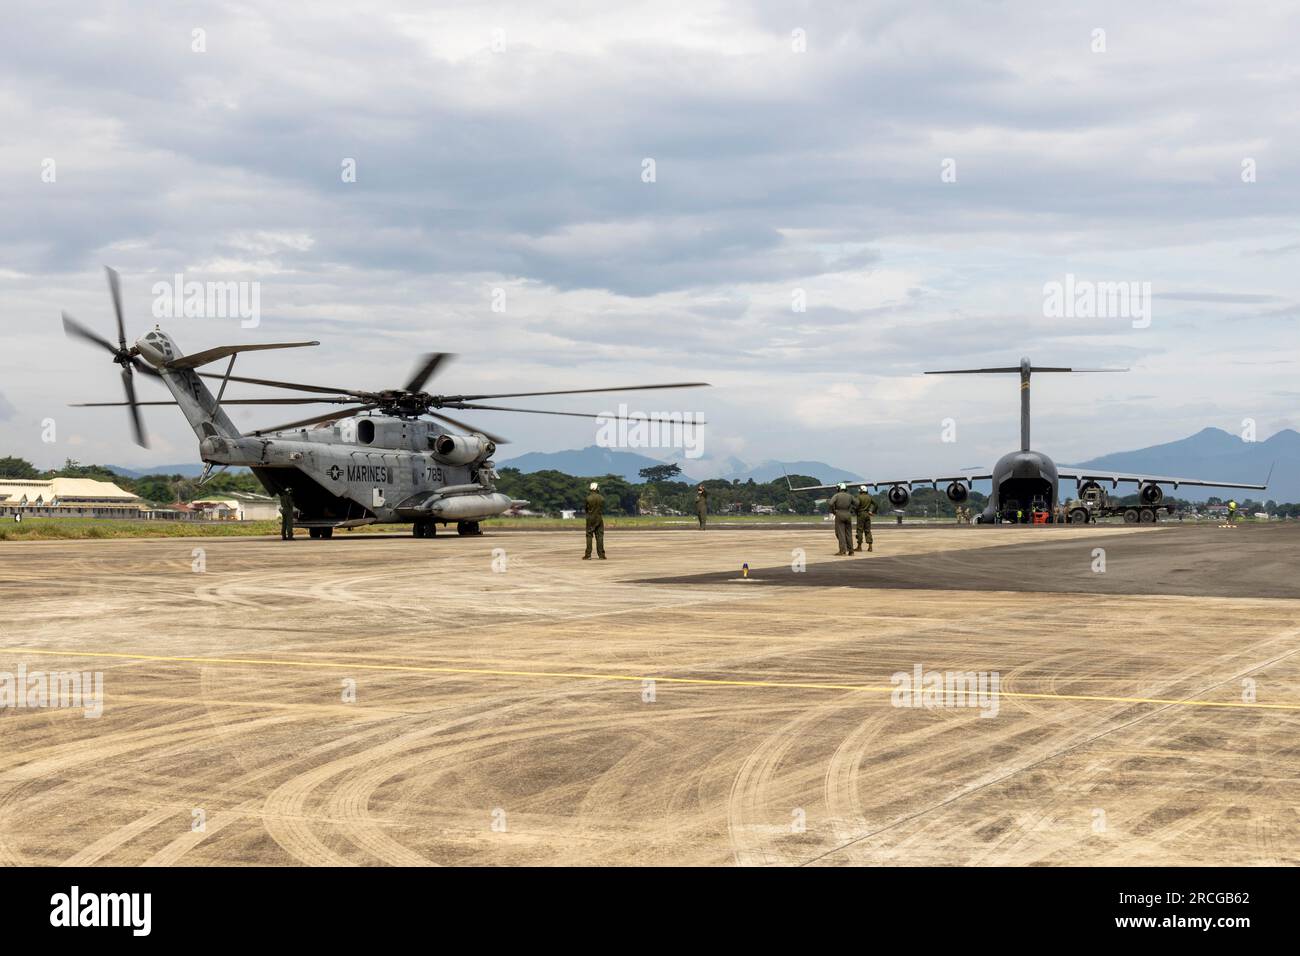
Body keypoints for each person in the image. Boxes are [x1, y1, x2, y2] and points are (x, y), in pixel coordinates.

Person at [828, 483, 856, 556]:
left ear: (839, 488)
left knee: (840, 534)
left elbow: (831, 503)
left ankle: (842, 551)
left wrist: (833, 511)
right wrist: (852, 510)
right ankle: (851, 551)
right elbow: (857, 503)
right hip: (848, 514)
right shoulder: (850, 496)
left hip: (839, 514)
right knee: (849, 534)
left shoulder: (836, 495)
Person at [583, 481, 606, 559]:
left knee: (589, 536)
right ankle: (601, 555)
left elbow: (585, 508)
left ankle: (588, 555)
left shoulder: (588, 498)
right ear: (597, 488)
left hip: (590, 519)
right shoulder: (601, 498)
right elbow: (602, 507)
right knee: (599, 536)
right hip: (599, 518)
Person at [854, 485, 877, 552]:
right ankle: (870, 547)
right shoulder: (869, 497)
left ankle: (859, 547)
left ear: (861, 490)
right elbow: (876, 504)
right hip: (867, 514)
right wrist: (872, 511)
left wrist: (856, 512)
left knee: (859, 530)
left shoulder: (858, 497)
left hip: (861, 514)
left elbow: (856, 506)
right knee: (867, 530)